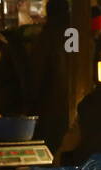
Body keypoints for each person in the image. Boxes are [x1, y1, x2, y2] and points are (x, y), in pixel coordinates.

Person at [28, 0, 73, 156]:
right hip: (69, 98)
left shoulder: (47, 36)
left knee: (51, 147)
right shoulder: (73, 32)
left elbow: (36, 72)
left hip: (50, 102)